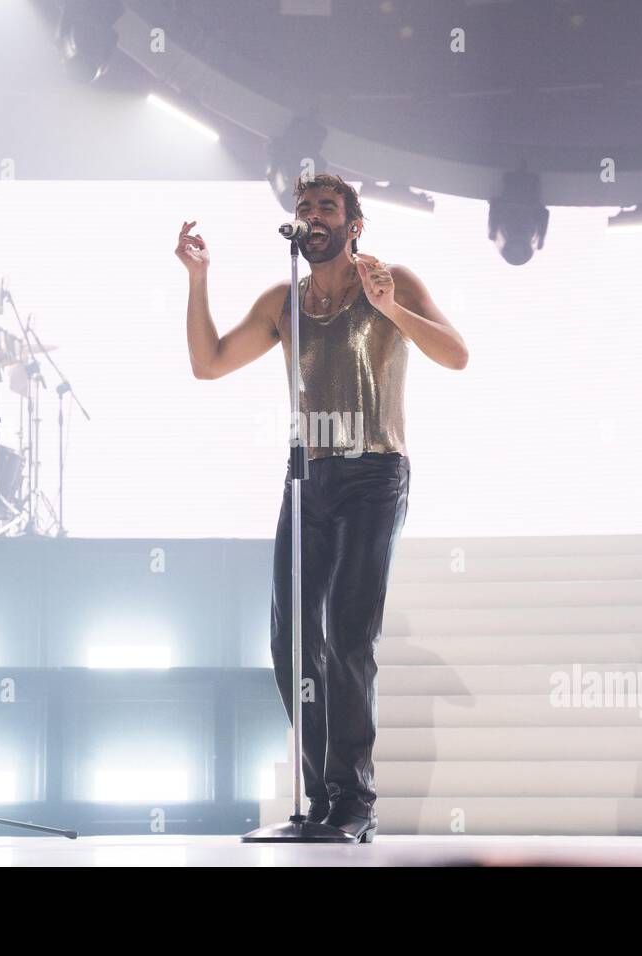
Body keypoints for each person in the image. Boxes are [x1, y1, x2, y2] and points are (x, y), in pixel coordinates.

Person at [177, 173, 468, 842]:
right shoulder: (285, 301)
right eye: (303, 207)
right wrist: (199, 280)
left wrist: (390, 307)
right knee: (290, 641)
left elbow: (456, 355)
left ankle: (355, 803)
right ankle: (319, 801)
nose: (312, 216)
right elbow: (209, 363)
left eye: (326, 207)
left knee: (347, 633)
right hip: (306, 476)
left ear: (354, 224)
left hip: (374, 472)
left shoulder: (390, 281)